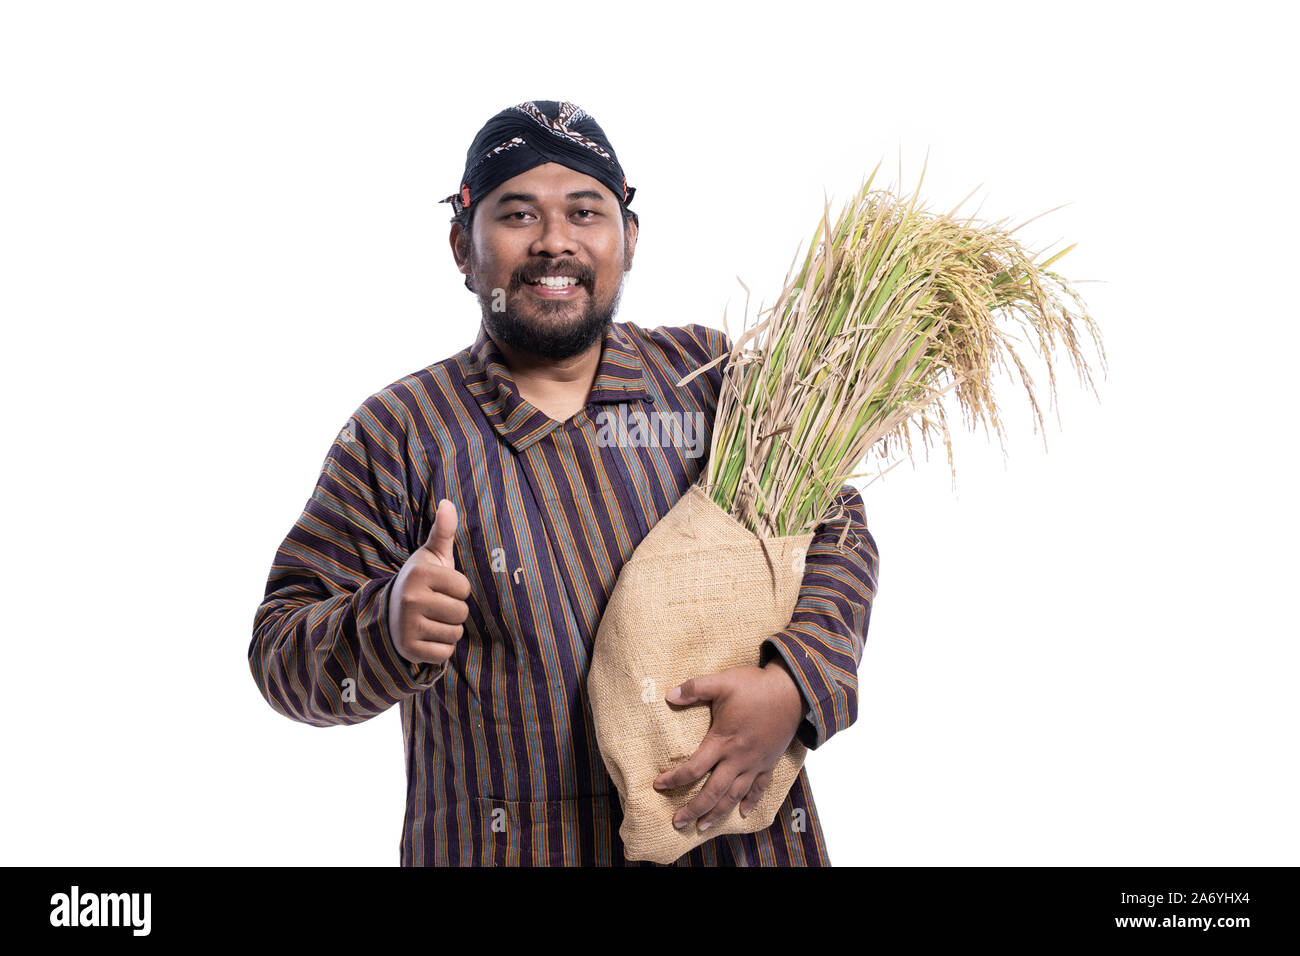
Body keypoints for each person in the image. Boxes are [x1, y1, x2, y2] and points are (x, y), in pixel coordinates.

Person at [248, 100, 880, 866]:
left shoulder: (708, 379)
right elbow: (280, 650)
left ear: (630, 239)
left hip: (745, 845)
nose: (556, 243)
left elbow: (835, 523)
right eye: (517, 214)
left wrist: (795, 687)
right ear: (462, 245)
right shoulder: (400, 433)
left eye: (586, 212)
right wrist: (384, 627)